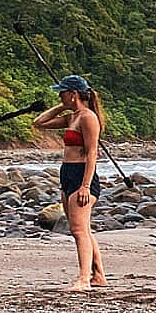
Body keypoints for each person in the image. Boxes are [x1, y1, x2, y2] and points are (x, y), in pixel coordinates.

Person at [33, 75, 107, 291]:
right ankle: (99, 275)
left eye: (62, 92)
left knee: (78, 230)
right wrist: (63, 105)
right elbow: (39, 123)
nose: (59, 95)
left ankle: (84, 279)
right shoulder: (72, 117)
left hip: (82, 173)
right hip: (67, 172)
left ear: (73, 94)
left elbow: (93, 152)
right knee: (83, 227)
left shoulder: (88, 117)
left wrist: (85, 185)